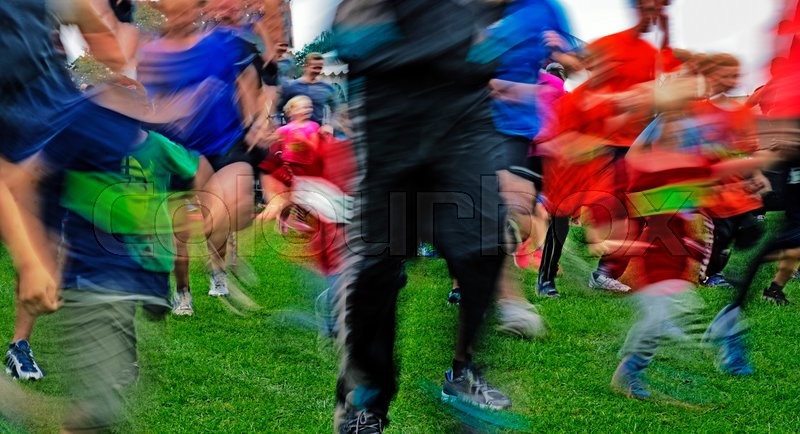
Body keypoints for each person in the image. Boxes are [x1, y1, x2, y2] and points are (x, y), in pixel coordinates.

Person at [331, 1, 513, 431]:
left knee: (484, 244)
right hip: (393, 107)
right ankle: (366, 397)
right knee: (380, 263)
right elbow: (352, 28)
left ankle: (463, 372)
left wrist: (484, 32)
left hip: (463, 106)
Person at [2, 0, 138, 381]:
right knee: (43, 249)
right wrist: (29, 261)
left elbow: (98, 31)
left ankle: (111, 332)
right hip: (20, 147)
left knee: (101, 228)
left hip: (56, 130)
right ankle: (21, 345)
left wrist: (109, 79)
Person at [137, 0, 263, 310]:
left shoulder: (223, 44)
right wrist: (187, 104)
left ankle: (218, 268)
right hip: (181, 150)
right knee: (179, 232)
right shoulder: (154, 56)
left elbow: (250, 79)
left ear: (200, 9)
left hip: (224, 143)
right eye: (173, 8)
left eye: (188, 7)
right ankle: (182, 293)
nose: (181, 14)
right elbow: (154, 109)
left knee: (225, 214)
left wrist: (256, 119)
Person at [277, 52, 339, 128]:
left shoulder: (327, 87)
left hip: (317, 132)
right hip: (295, 134)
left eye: (319, 68)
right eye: (314, 67)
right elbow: (279, 109)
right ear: (306, 66)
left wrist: (329, 125)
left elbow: (336, 108)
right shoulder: (291, 86)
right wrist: (284, 127)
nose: (317, 71)